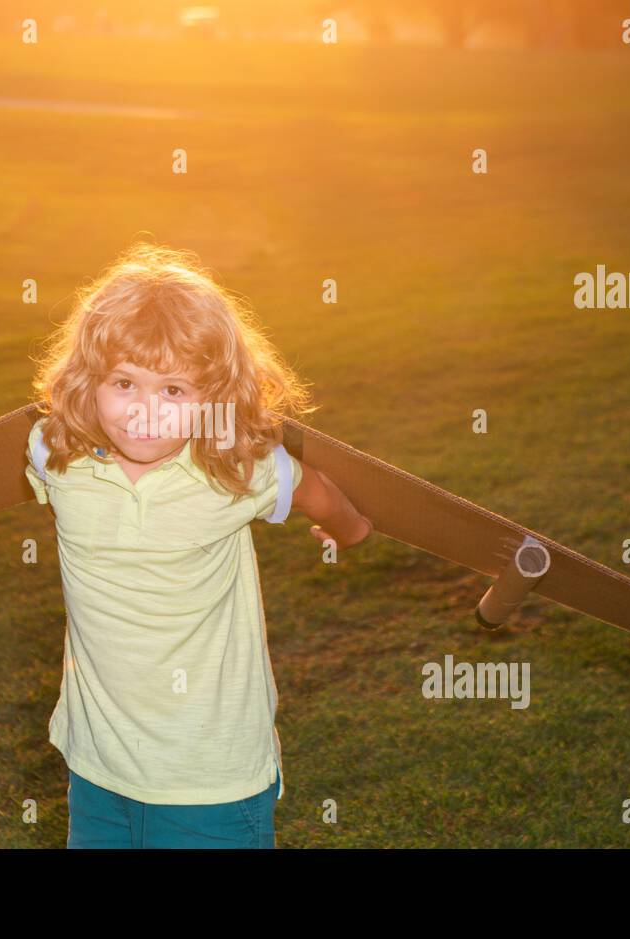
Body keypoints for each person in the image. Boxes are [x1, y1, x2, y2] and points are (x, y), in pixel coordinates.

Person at [24, 241, 372, 848]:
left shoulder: (236, 471)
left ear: (215, 398)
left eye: (174, 391)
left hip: (211, 778)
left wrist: (350, 531)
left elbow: (314, 490)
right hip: (98, 764)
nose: (144, 412)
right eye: (124, 382)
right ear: (89, 380)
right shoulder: (56, 457)